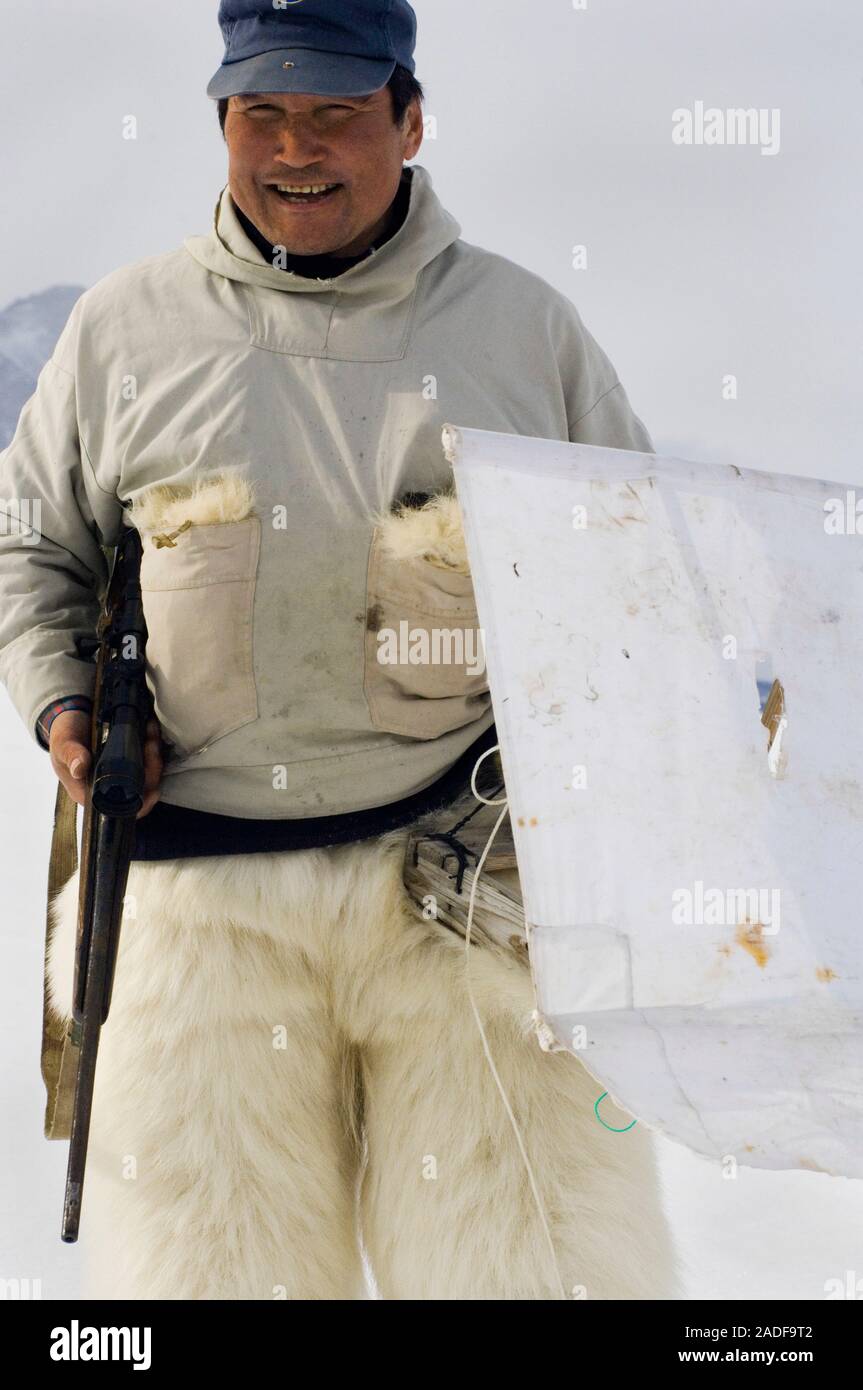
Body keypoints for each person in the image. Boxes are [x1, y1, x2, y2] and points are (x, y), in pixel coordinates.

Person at [0, 0, 678, 1299]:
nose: (293, 147)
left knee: (537, 1279)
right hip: (198, 897)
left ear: (409, 121)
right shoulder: (123, 332)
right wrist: (60, 704)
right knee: (209, 1289)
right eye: (263, 111)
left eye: (333, 112)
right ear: (221, 122)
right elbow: (33, 547)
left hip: (468, 890)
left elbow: (633, 569)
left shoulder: (524, 336)